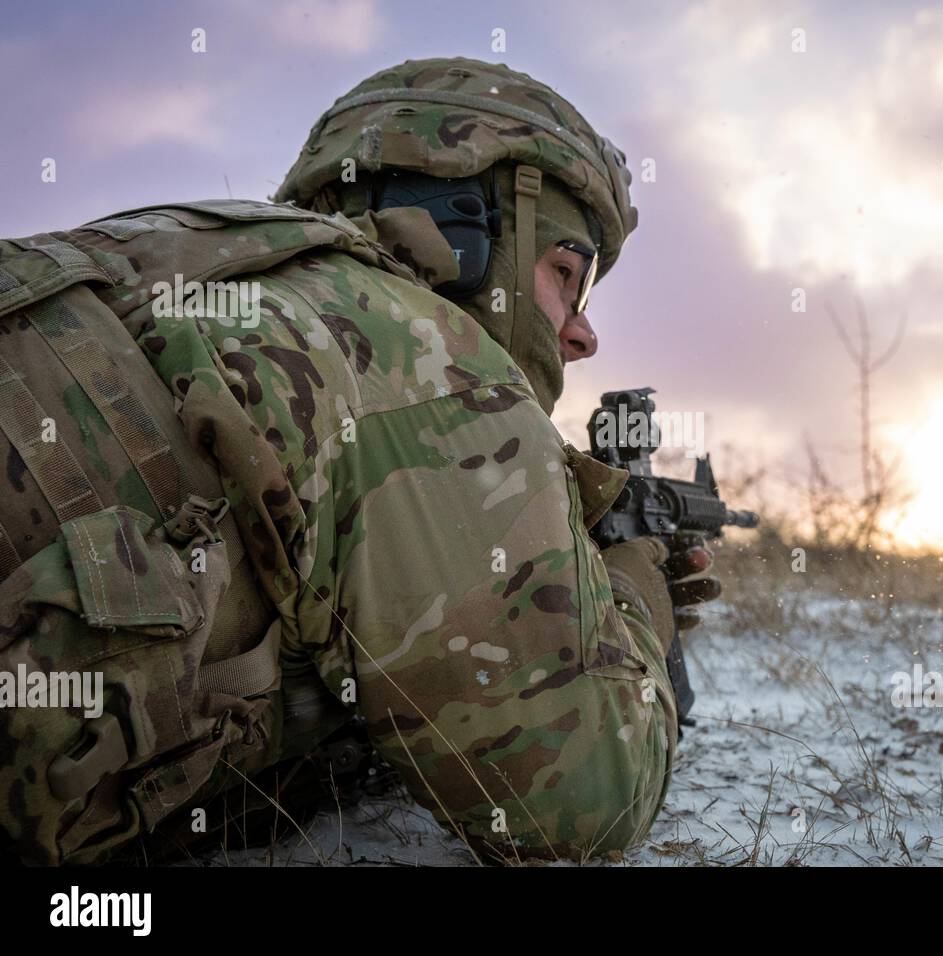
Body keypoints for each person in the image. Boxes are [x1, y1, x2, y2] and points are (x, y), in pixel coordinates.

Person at [0, 57, 716, 865]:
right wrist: (636, 591)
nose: (583, 334)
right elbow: (581, 801)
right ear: (474, 236)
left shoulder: (182, 258)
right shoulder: (429, 359)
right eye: (565, 277)